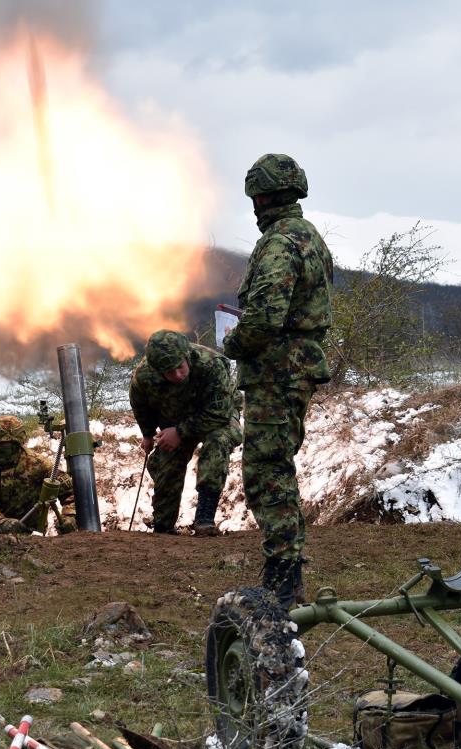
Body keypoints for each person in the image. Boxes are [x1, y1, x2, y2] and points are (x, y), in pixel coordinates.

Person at [222, 153, 334, 607]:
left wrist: (232, 343)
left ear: (262, 197)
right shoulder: (310, 239)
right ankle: (284, 569)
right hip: (292, 370)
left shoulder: (279, 243)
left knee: (268, 472)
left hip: (277, 373)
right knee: (276, 466)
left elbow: (266, 318)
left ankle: (284, 577)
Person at [129, 329, 242, 535]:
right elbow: (140, 405)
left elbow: (219, 413)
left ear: (186, 356)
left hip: (219, 418)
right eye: (169, 372)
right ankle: (163, 526)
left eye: (180, 367)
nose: (177, 375)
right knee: (166, 458)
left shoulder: (212, 364)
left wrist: (181, 432)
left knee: (217, 443)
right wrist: (147, 434)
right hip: (176, 421)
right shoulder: (144, 376)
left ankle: (204, 520)